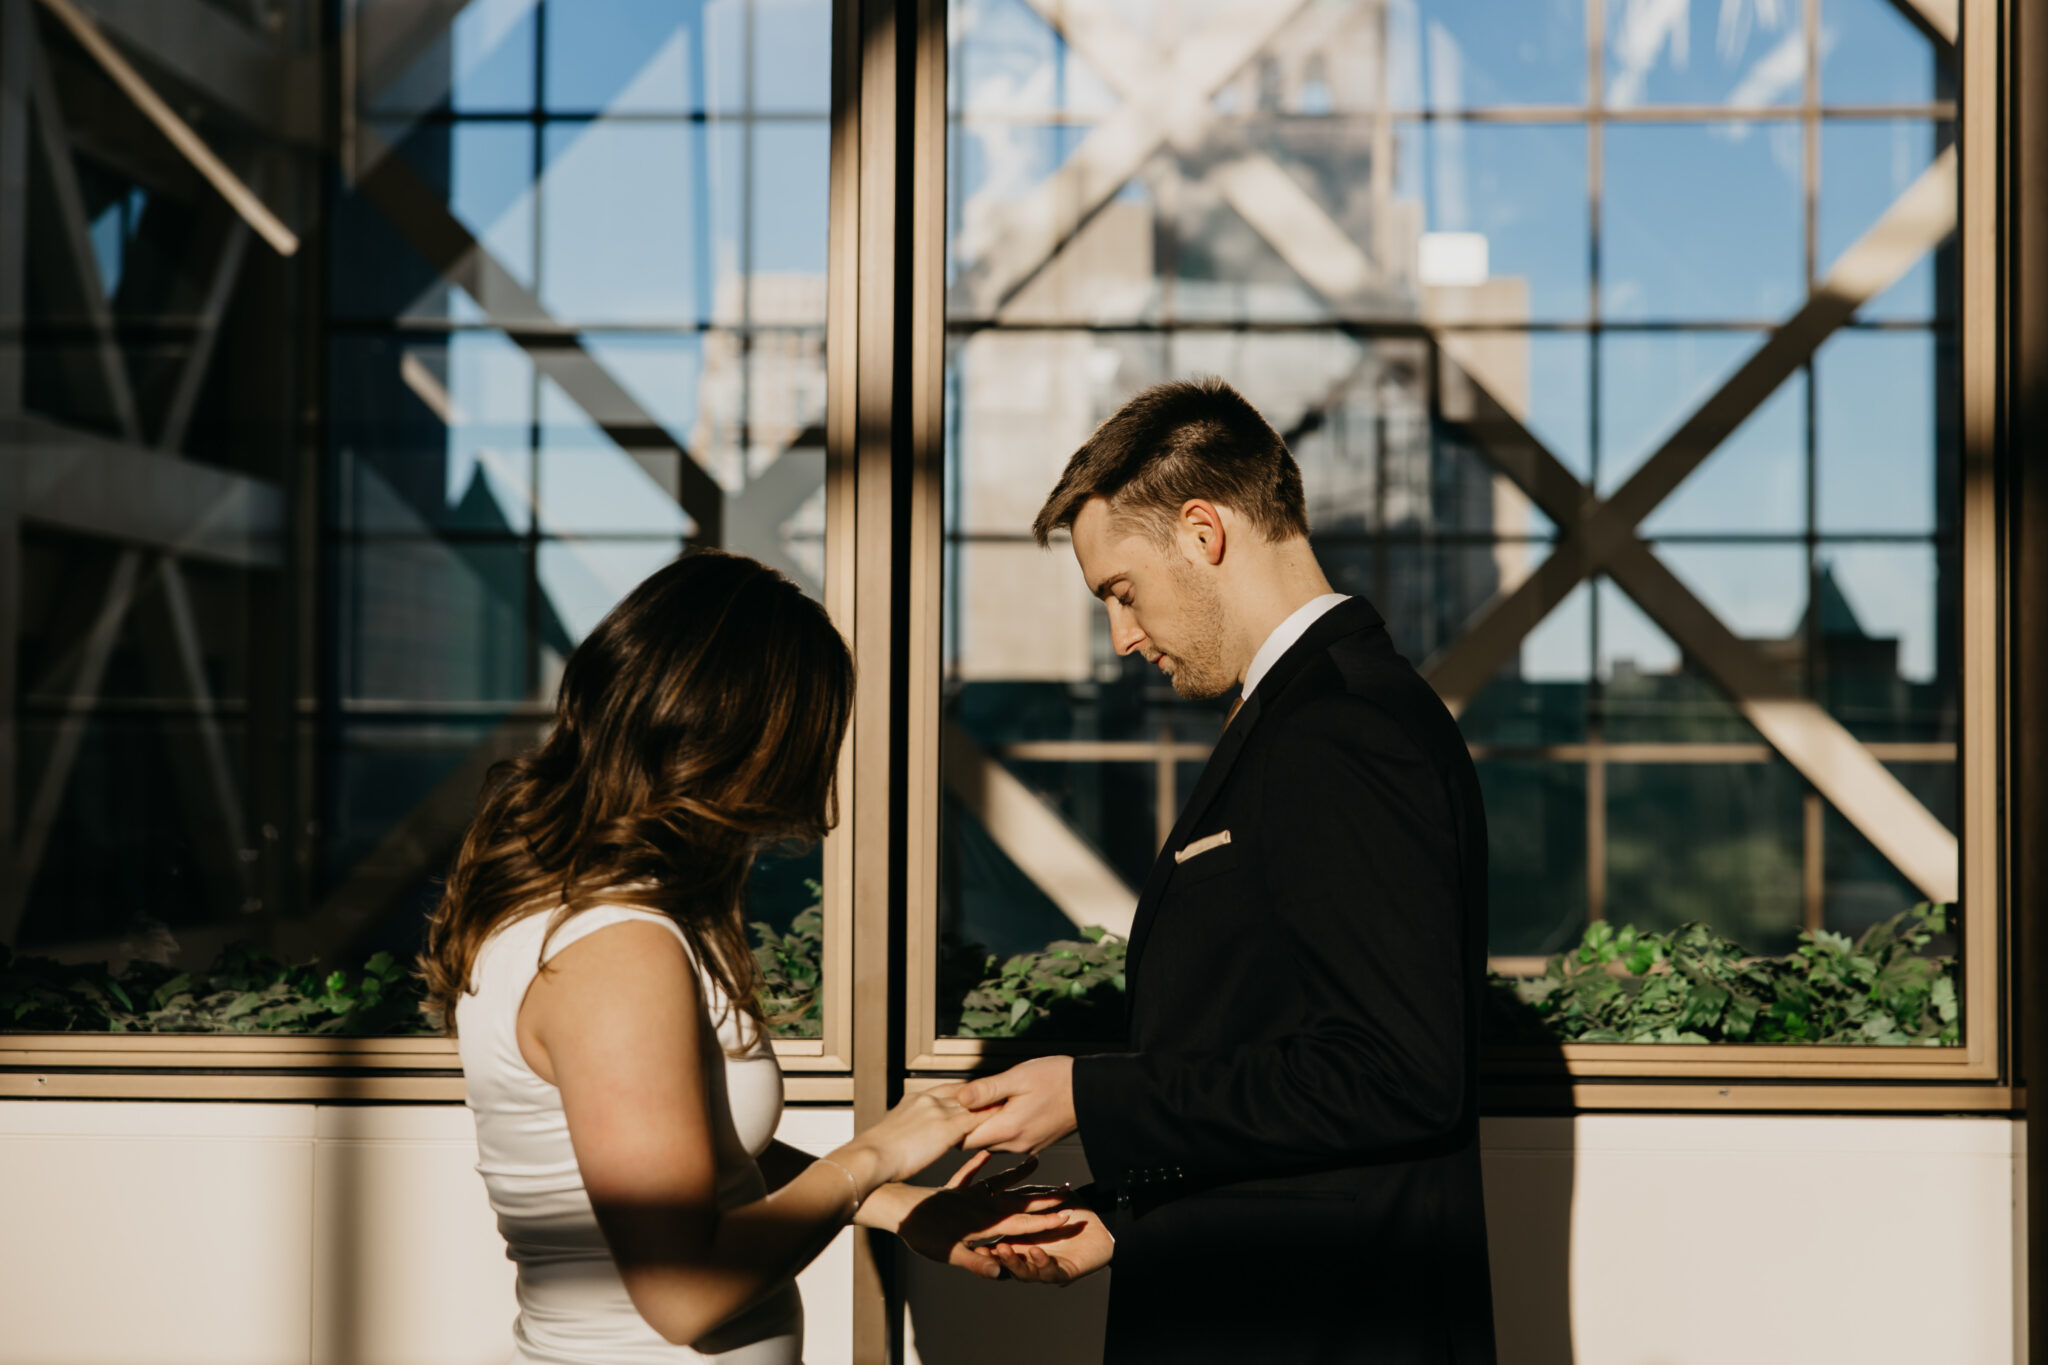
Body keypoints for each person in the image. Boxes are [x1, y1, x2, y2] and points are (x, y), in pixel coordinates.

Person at [958, 378, 1498, 1363]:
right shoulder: (1311, 715)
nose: (1121, 637)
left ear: (1201, 532)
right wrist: (1131, 1217)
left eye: (1120, 592)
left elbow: (1396, 1073)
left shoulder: (1340, 729)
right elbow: (1279, 1051)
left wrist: (1093, 1097)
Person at [421, 550, 1073, 1364]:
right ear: (750, 738)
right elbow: (684, 1292)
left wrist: (901, 1204)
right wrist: (873, 1153)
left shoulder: (580, 912)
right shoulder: (617, 953)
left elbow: (695, 1153)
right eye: (815, 732)